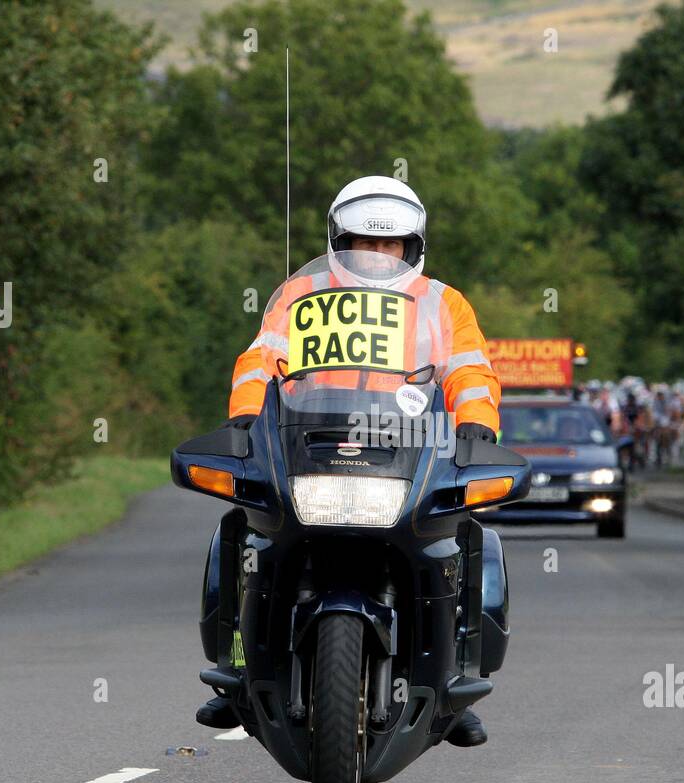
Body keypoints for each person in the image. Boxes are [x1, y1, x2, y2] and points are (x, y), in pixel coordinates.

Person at [196, 176, 501, 747]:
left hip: (408, 445)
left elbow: (468, 368)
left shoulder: (442, 302)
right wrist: (243, 414)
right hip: (310, 440)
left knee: (458, 532)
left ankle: (456, 680)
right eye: (364, 241)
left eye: (390, 245)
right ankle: (236, 671)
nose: (377, 254)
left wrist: (476, 423)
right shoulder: (300, 295)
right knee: (246, 528)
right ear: (338, 239)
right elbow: (264, 354)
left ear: (413, 247)